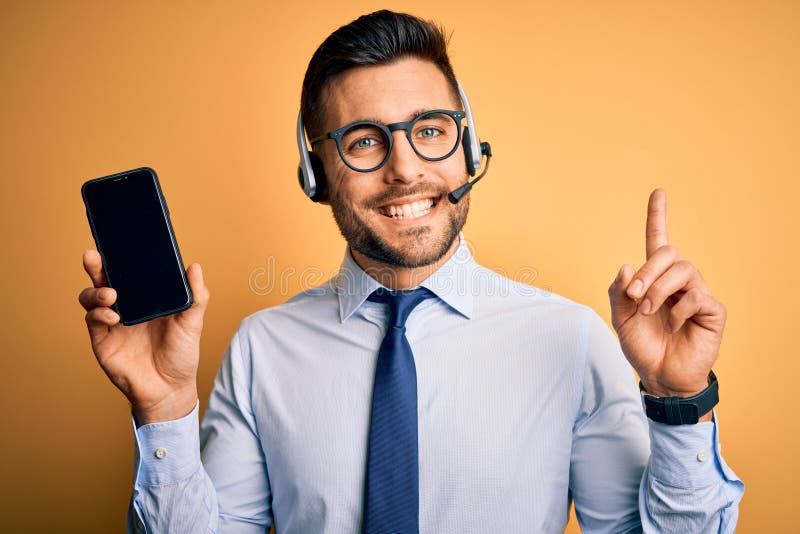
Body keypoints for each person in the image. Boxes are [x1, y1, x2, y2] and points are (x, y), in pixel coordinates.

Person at [78, 10, 743, 533]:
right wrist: (163, 410)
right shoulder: (260, 351)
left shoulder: (572, 341)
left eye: (430, 130)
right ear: (315, 173)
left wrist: (678, 402)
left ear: (467, 145)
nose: (405, 169)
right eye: (365, 141)